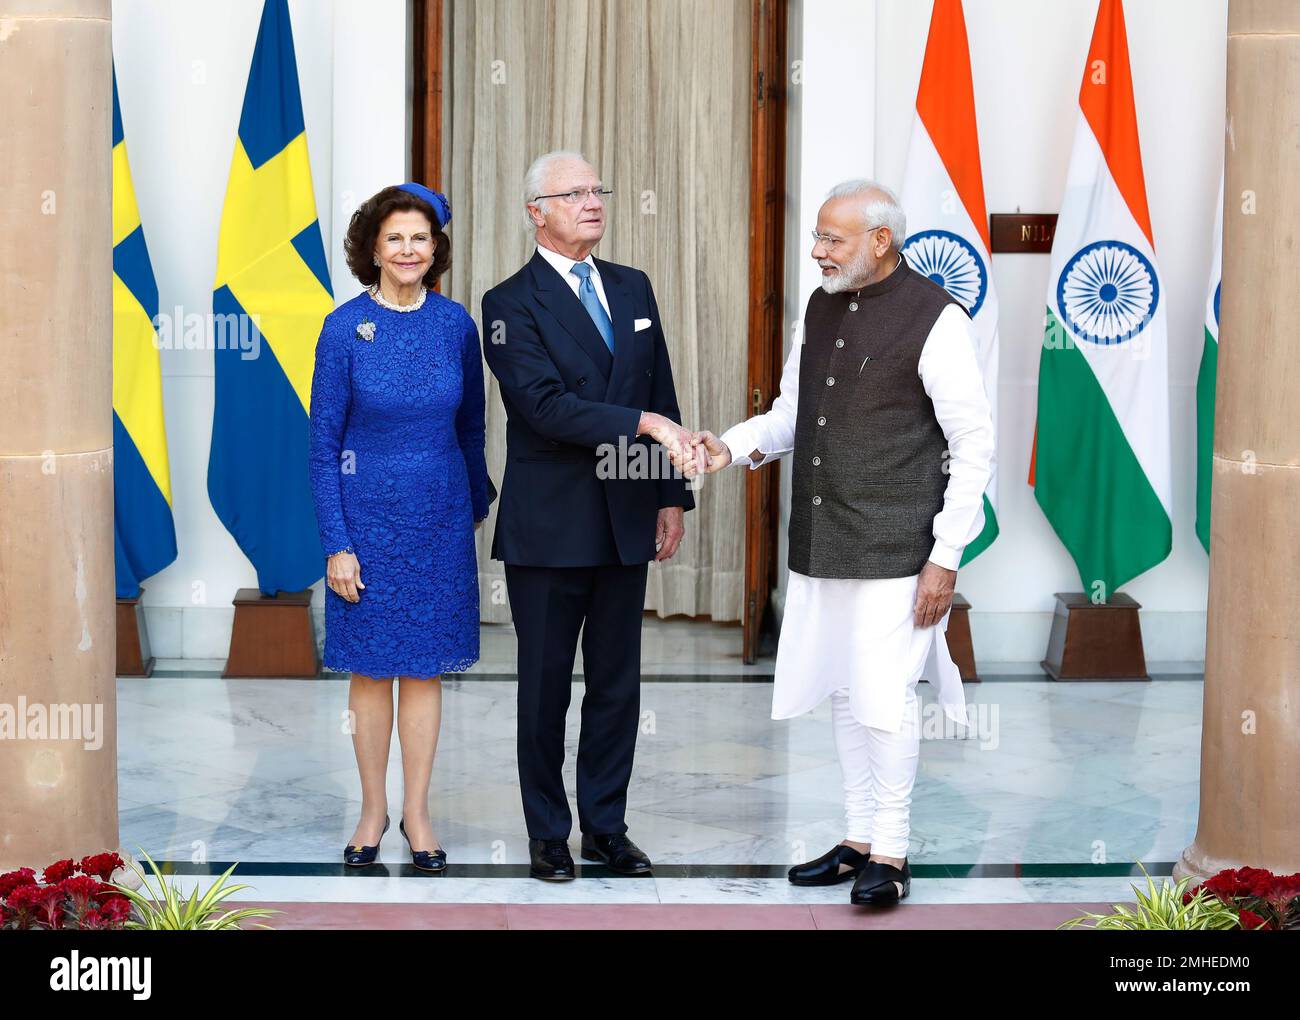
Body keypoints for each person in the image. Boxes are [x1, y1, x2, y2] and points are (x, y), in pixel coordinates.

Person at [679, 179, 994, 905]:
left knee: (886, 700)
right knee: (847, 696)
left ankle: (893, 852)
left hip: (898, 550)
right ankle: (857, 840)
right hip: (824, 541)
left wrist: (945, 556)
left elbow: (973, 446)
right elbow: (794, 413)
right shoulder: (820, 307)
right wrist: (729, 448)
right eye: (817, 237)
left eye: (833, 239)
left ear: (881, 241)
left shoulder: (935, 318)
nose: (817, 251)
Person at [482, 150, 695, 881]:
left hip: (626, 514)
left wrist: (670, 494)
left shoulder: (633, 286)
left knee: (617, 687)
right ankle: (547, 834)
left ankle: (606, 828)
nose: (594, 201)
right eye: (573, 193)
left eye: (597, 189)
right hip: (550, 526)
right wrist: (644, 426)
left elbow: (660, 389)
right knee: (543, 689)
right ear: (536, 212)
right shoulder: (508, 303)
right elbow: (544, 409)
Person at [308, 182, 490, 873]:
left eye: (420, 238)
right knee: (370, 670)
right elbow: (323, 443)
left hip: (439, 526)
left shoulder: (455, 326)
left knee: (424, 670)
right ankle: (371, 810)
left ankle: (416, 813)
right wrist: (337, 542)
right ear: (373, 249)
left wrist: (473, 507)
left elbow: (471, 426)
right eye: (395, 238)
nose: (409, 249)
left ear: (435, 247)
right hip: (365, 525)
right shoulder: (343, 328)